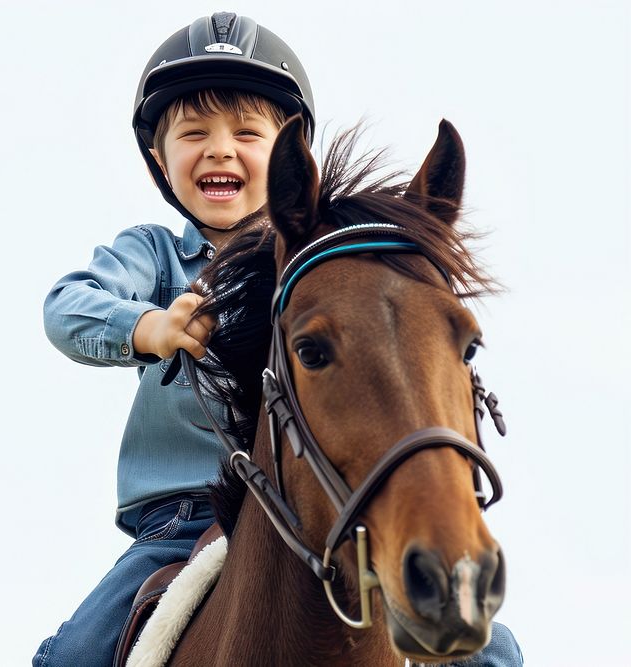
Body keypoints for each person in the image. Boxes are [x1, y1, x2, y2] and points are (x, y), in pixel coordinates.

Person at [34, 12, 522, 667]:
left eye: (246, 132)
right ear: (159, 157)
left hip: (326, 502)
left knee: (499, 654)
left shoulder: (322, 276)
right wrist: (149, 326)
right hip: (178, 523)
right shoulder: (152, 255)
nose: (220, 150)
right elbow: (66, 307)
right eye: (194, 133)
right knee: (73, 655)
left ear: (290, 159)